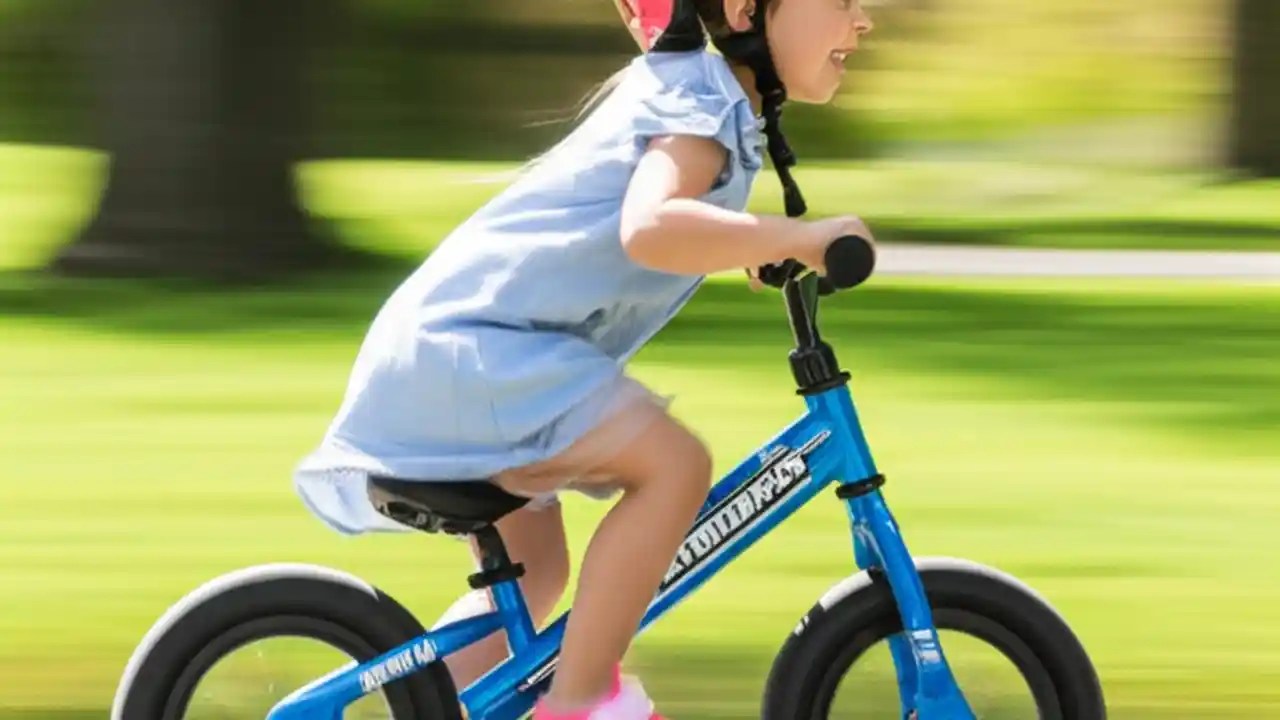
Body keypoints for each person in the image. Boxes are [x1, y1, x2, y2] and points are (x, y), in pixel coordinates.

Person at [292, 0, 875, 717]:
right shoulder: (697, 97)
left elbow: (651, 225)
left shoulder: (702, 94)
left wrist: (758, 245)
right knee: (674, 465)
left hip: (464, 354)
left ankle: (433, 710)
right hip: (481, 355)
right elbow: (651, 227)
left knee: (537, 575)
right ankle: (582, 703)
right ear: (742, 8)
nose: (863, 20)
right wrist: (801, 237)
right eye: (842, 0)